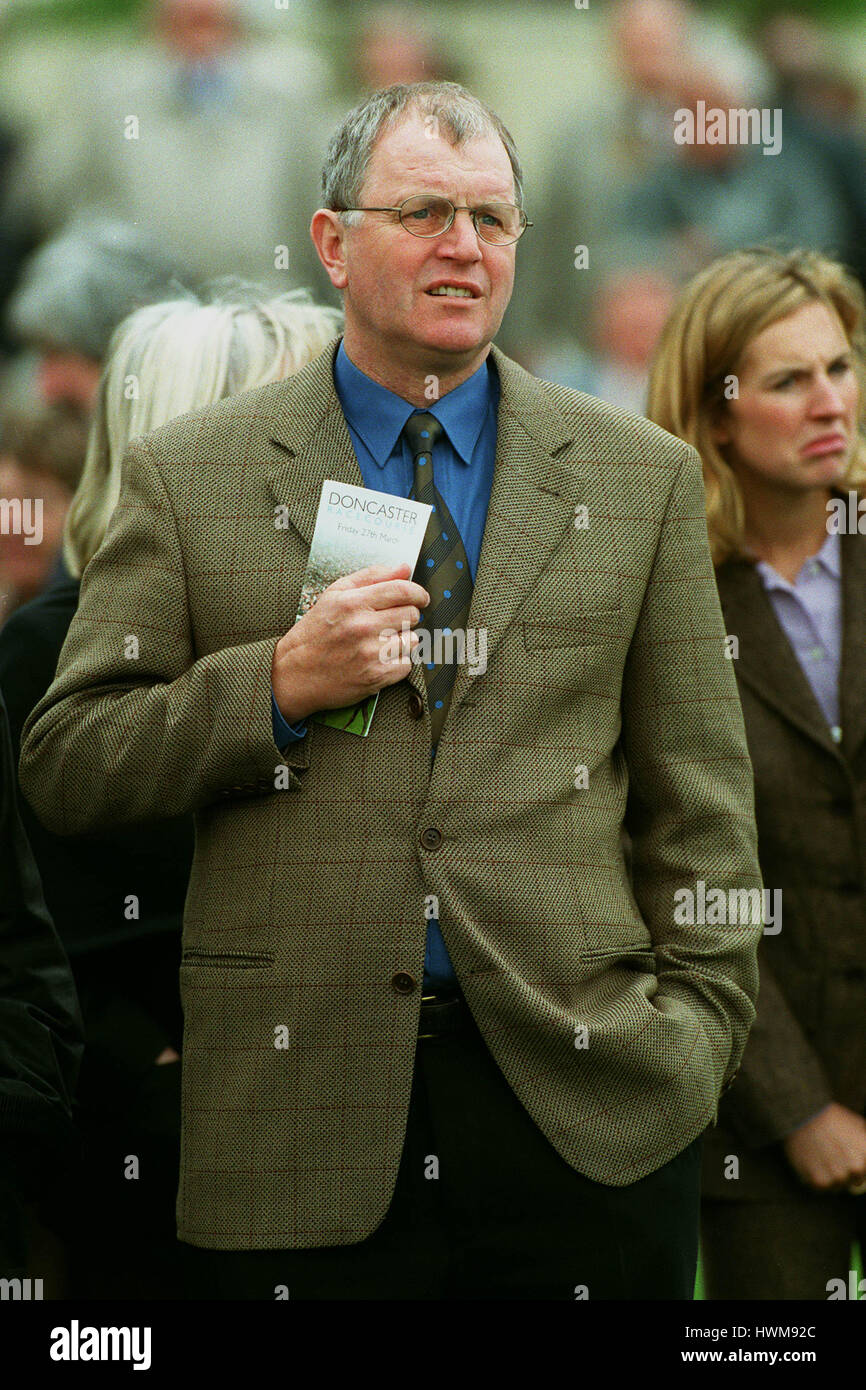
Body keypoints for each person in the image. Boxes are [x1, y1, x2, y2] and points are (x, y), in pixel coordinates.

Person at [19, 81, 763, 1302]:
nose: (462, 247)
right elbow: (69, 761)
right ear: (330, 242)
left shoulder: (639, 478)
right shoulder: (189, 473)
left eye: (491, 218)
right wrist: (271, 683)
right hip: (296, 1117)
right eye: (421, 212)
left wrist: (693, 1038)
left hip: (585, 1118)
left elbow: (704, 808)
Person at [2, 283, 342, 1297]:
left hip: (350, 1112)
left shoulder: (345, 610)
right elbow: (39, 921)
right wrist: (142, 1065)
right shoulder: (53, 645)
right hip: (158, 1149)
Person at [646, 246, 866, 1300]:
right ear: (715, 416)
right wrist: (795, 1106)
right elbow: (675, 876)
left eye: (840, 366)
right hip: (756, 1133)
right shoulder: (668, 598)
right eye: (787, 380)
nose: (829, 401)